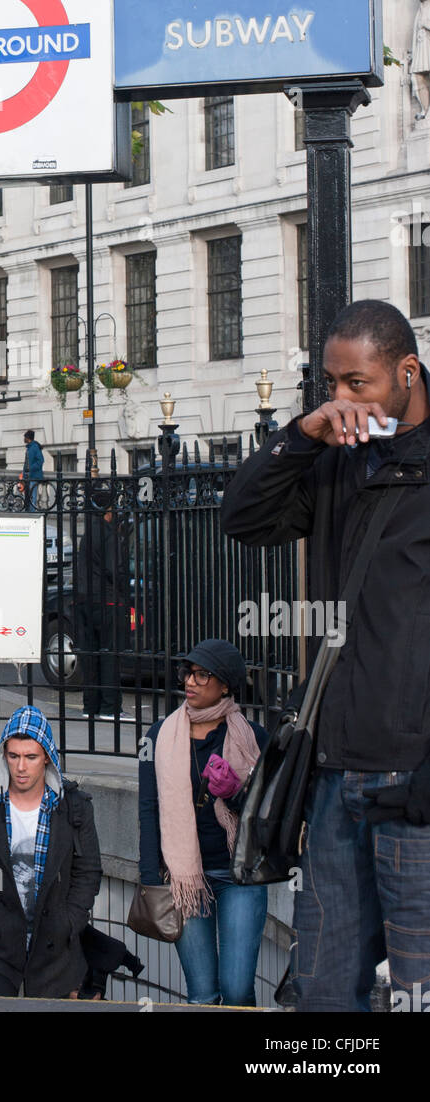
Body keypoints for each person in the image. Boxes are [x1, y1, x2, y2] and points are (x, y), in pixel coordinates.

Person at [220, 299, 430, 1012]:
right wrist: (299, 436)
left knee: (414, 991)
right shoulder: (340, 461)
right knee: (320, 993)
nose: (341, 399)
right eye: (329, 384)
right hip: (336, 776)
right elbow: (241, 519)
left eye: (356, 384)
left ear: (405, 372)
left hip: (414, 785)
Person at [138, 639, 268, 1006]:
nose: (190, 682)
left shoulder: (252, 737)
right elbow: (149, 808)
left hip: (239, 874)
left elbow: (267, 814)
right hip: (185, 879)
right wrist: (151, 878)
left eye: (202, 675)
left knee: (237, 988)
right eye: (188, 673)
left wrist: (234, 793)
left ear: (225, 684)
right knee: (202, 995)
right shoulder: (160, 736)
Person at [0, 704, 101, 998]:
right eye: (13, 756)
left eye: (31, 757)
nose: (20, 767)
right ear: (3, 755)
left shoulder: (74, 806)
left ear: (47, 759)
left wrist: (69, 920)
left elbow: (88, 871)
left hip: (55, 947)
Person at [77, 491, 131, 720]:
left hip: (85, 599)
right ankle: (110, 708)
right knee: (110, 653)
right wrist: (124, 589)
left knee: (91, 654)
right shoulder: (108, 534)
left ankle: (91, 706)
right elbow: (115, 569)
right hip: (107, 600)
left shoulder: (88, 532)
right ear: (109, 510)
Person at [21, 429, 44, 509]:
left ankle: (32, 513)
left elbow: (40, 460)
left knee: (32, 497)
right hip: (28, 477)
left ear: (28, 438)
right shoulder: (30, 448)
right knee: (28, 496)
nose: (23, 438)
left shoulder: (34, 447)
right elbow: (27, 463)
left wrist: (30, 469)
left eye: (25, 437)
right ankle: (29, 512)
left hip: (33, 476)